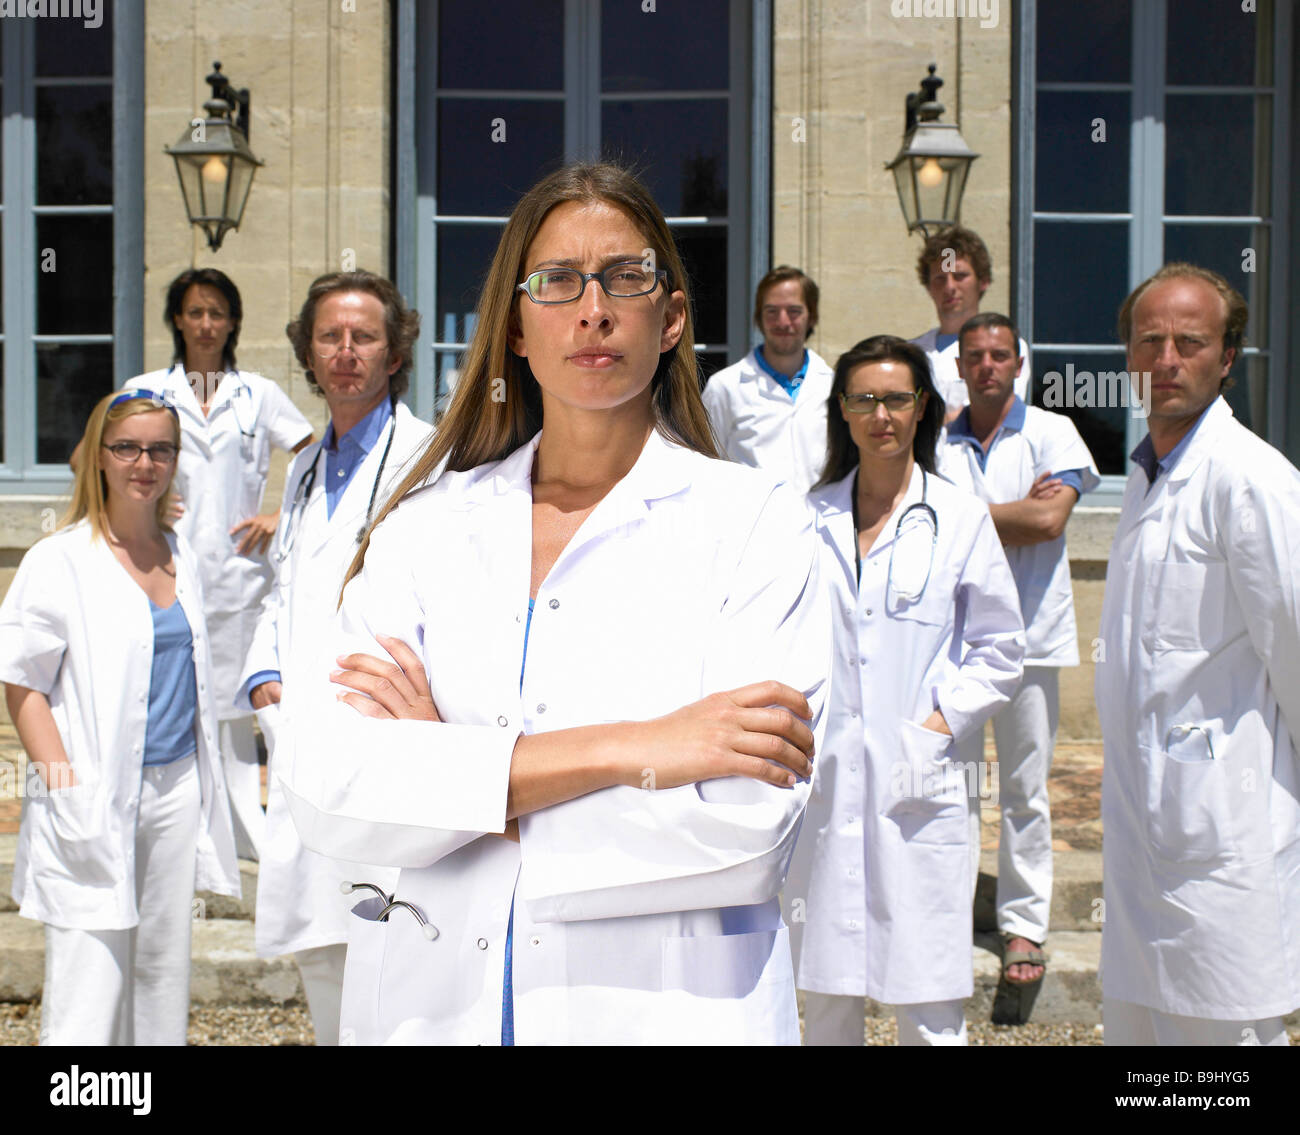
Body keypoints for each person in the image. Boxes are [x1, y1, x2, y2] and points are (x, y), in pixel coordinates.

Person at [276, 163, 830, 1045]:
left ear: (673, 318)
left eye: (626, 277)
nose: (593, 308)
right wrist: (636, 746)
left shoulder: (758, 527)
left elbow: (745, 826)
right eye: (558, 282)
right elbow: (332, 786)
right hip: (434, 1007)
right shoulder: (423, 529)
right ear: (517, 330)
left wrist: (456, 778)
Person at [787, 336, 1025, 1046]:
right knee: (826, 995)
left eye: (896, 398)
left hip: (920, 777)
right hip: (825, 777)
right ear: (843, 411)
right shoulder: (806, 517)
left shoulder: (959, 516)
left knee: (928, 1000)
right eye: (863, 398)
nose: (880, 414)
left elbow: (1001, 647)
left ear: (923, 408)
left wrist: (933, 722)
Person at [1097, 263, 1300, 1046]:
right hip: (1146, 835)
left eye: (1190, 342)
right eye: (1150, 342)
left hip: (1223, 825)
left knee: (1226, 1047)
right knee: (1147, 1049)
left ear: (1228, 358)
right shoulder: (1147, 478)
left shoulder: (1253, 481)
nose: (1167, 360)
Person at [0, 391, 240, 1045]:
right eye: (127, 447)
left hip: (174, 789)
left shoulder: (178, 553)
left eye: (160, 448)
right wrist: (63, 783)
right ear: (100, 458)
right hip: (91, 789)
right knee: (90, 982)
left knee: (160, 974)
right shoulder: (62, 559)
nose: (145, 462)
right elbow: (21, 684)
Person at [234, 270, 432, 1046]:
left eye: (364, 337)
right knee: (320, 941)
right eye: (330, 337)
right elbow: (286, 583)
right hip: (301, 729)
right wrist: (261, 677)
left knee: (392, 938)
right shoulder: (310, 462)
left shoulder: (428, 455)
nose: (346, 352)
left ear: (394, 350)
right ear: (309, 354)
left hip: (378, 731)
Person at [121, 269, 314, 861]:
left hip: (238, 579)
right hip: (165, 570)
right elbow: (96, 455)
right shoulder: (147, 391)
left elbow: (313, 450)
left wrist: (282, 515)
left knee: (233, 712)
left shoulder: (256, 394)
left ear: (231, 322)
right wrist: (146, 500)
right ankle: (180, 832)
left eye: (216, 313)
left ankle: (241, 839)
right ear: (177, 320)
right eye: (194, 312)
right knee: (172, 698)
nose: (206, 324)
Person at [939, 312, 1099, 1022]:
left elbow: (1048, 522)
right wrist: (1005, 513)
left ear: (1019, 361)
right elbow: (920, 517)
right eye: (975, 355)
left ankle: (1024, 924)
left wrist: (963, 515)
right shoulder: (935, 438)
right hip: (956, 640)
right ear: (961, 365)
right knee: (952, 786)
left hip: (1032, 637)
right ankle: (942, 915)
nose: (987, 365)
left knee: (1027, 790)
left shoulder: (1054, 433)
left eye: (999, 354)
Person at [701, 266, 834, 494]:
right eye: (772, 311)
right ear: (759, 318)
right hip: (751, 525)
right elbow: (704, 464)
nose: (783, 322)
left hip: (819, 522)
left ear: (811, 317)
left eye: (794, 311)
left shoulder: (832, 384)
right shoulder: (725, 387)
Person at [909, 226, 1031, 422]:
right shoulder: (911, 353)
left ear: (983, 282)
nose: (949, 287)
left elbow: (997, 412)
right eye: (940, 278)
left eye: (960, 276)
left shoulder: (1006, 348)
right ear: (929, 287)